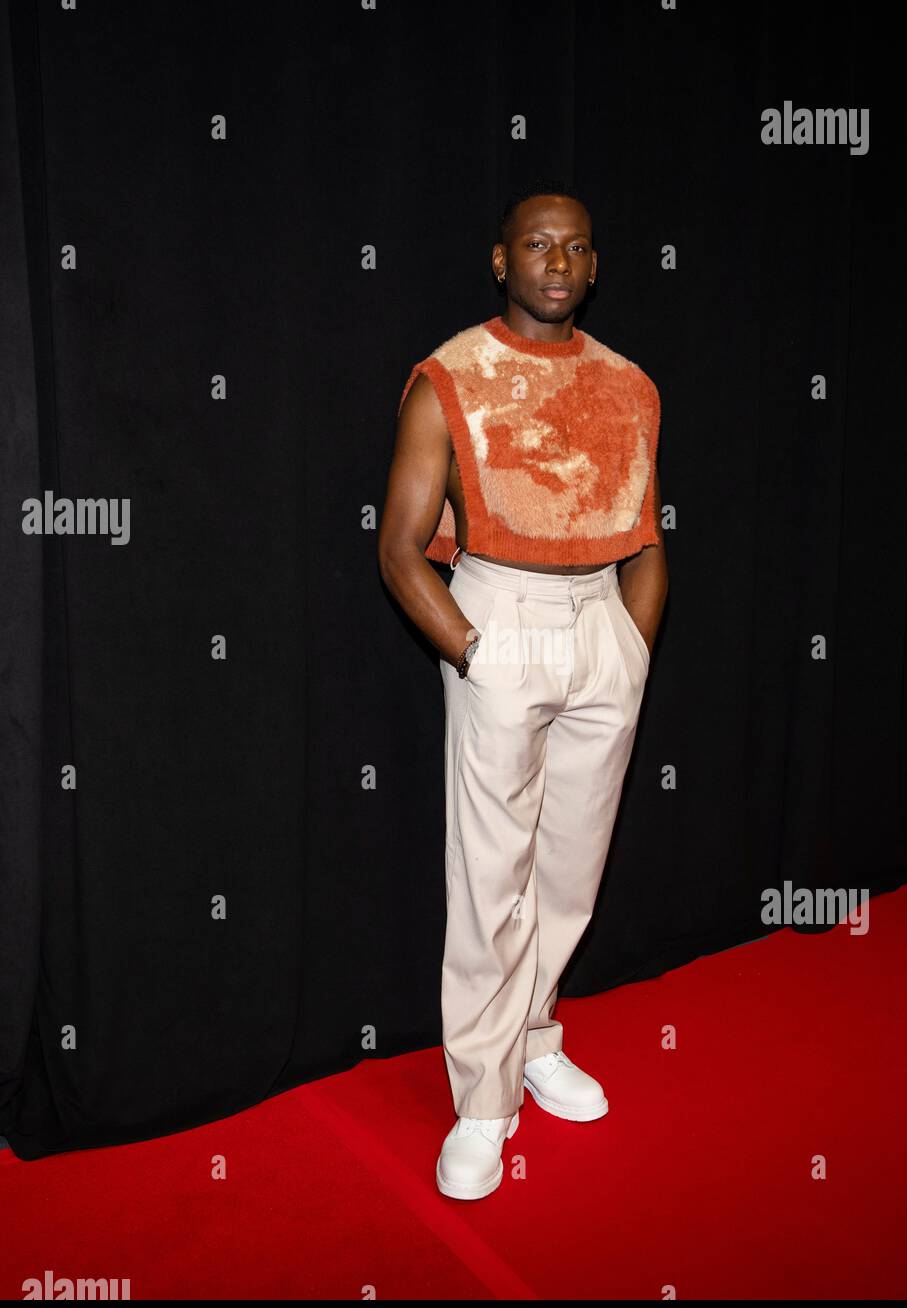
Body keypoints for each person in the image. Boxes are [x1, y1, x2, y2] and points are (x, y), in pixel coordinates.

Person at [377, 180, 667, 1200]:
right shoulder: (448, 376)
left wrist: (629, 644)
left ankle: (535, 1035)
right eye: (536, 244)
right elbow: (398, 548)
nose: (556, 261)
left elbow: (647, 537)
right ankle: (482, 1100)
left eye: (575, 247)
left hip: (600, 626)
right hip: (498, 619)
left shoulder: (631, 386)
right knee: (489, 879)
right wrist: (473, 648)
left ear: (593, 266)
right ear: (501, 259)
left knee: (570, 869)